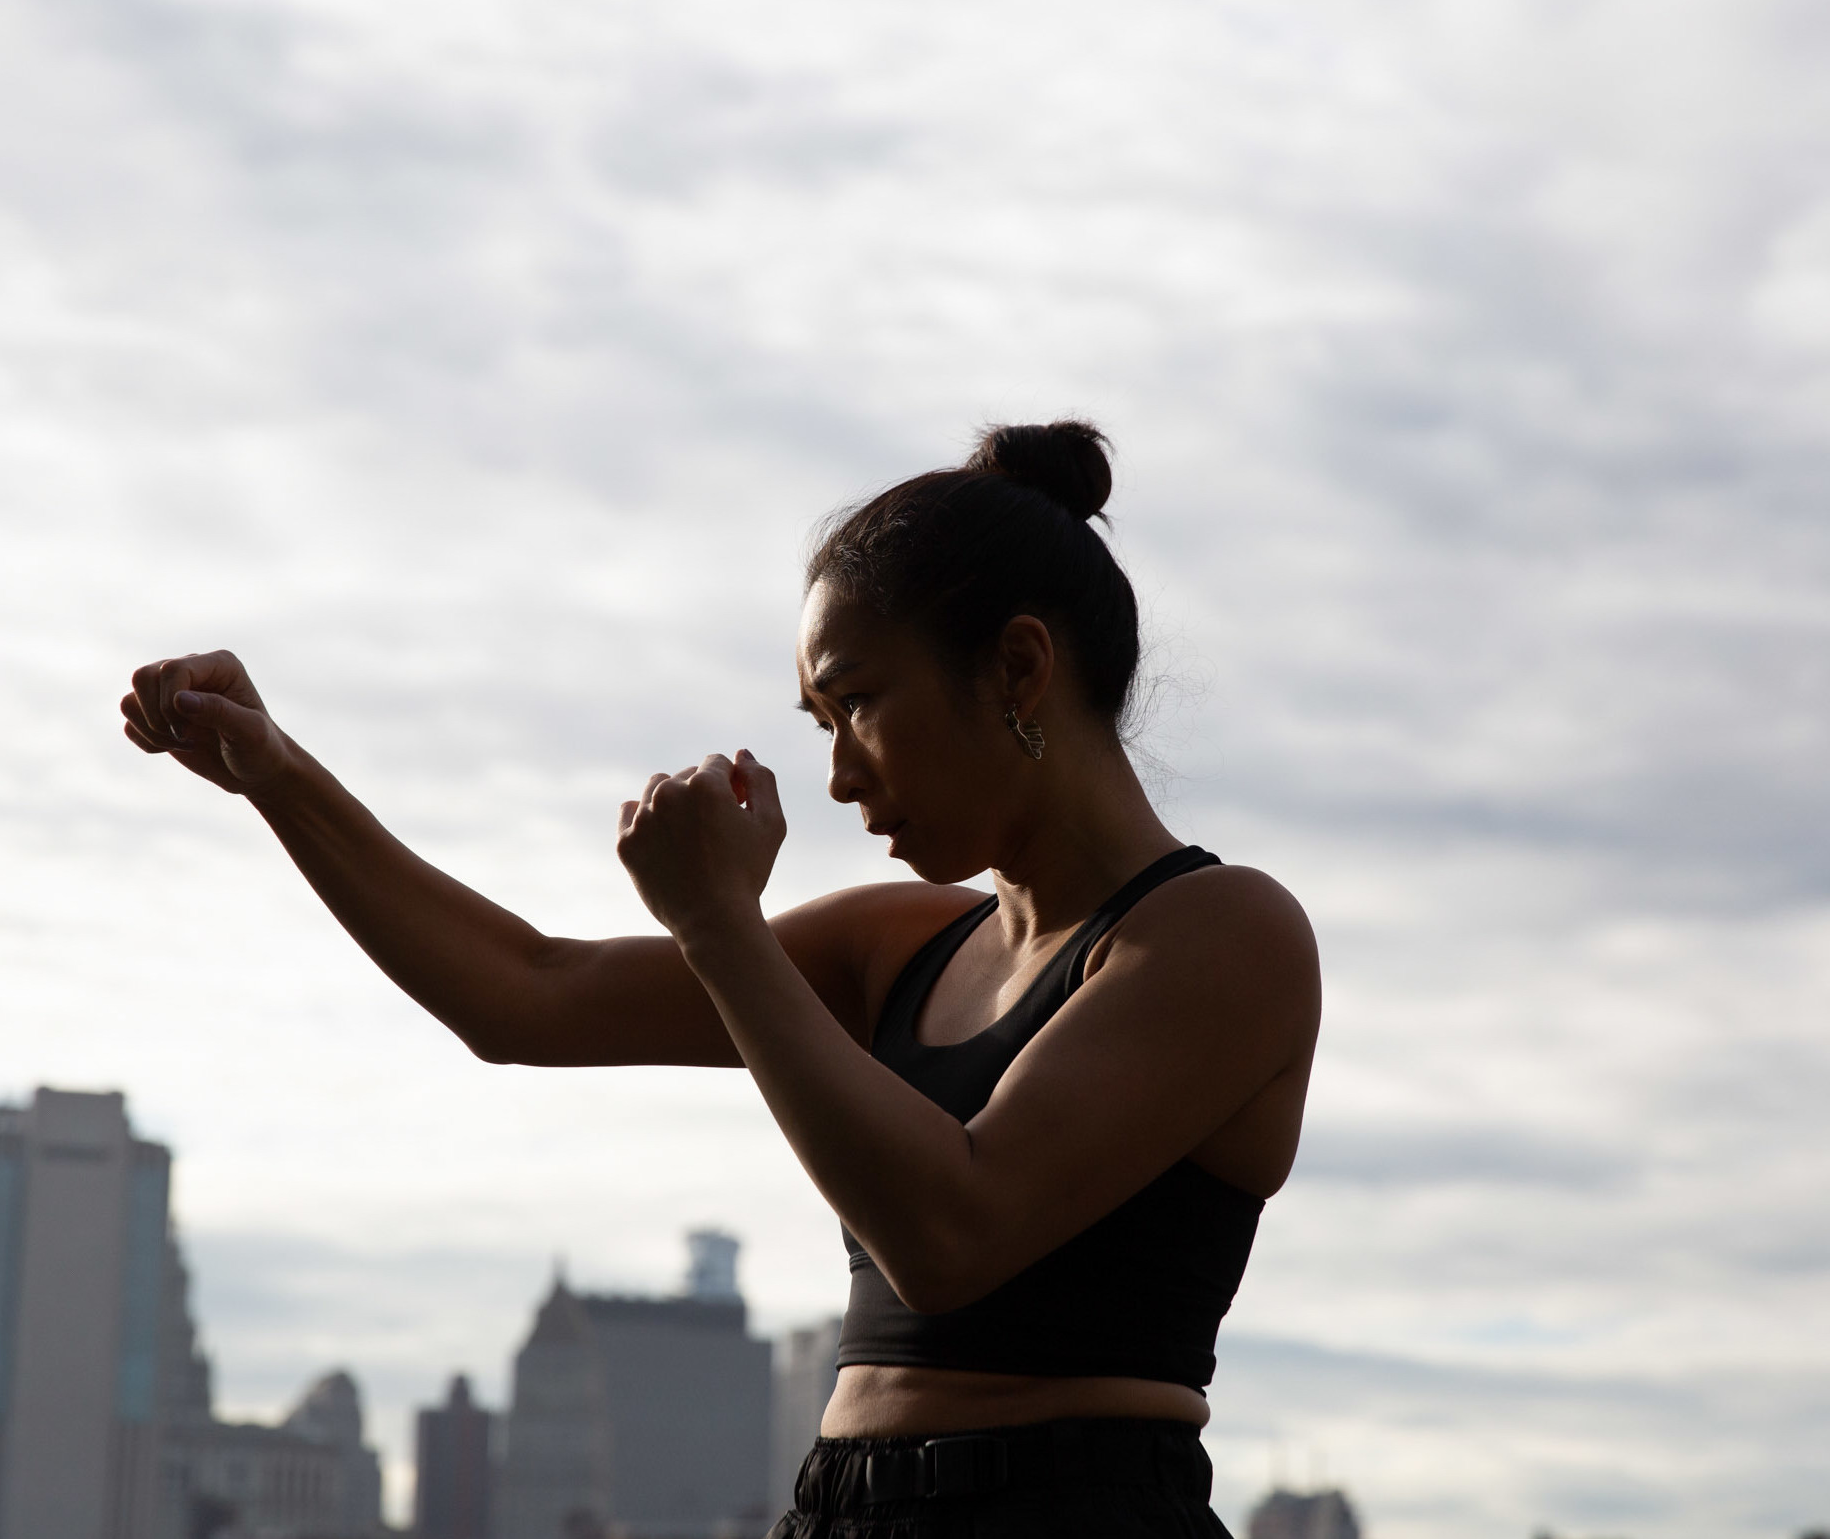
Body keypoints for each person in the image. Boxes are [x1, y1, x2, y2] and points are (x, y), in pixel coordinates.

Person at [121, 421, 1318, 1539]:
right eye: (817, 724)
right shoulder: (905, 943)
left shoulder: (1222, 932)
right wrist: (276, 774)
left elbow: (954, 1232)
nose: (842, 777)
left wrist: (715, 919)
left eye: (856, 701)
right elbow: (524, 992)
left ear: (1016, 666)